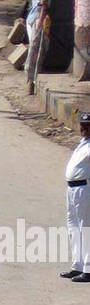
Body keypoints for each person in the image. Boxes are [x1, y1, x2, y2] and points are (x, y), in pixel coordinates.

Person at [61, 111, 90, 283]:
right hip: (72, 189)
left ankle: (88, 268)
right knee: (73, 226)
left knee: (85, 226)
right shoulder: (83, 143)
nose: (84, 129)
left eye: (88, 126)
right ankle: (77, 265)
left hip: (83, 188)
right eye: (83, 125)